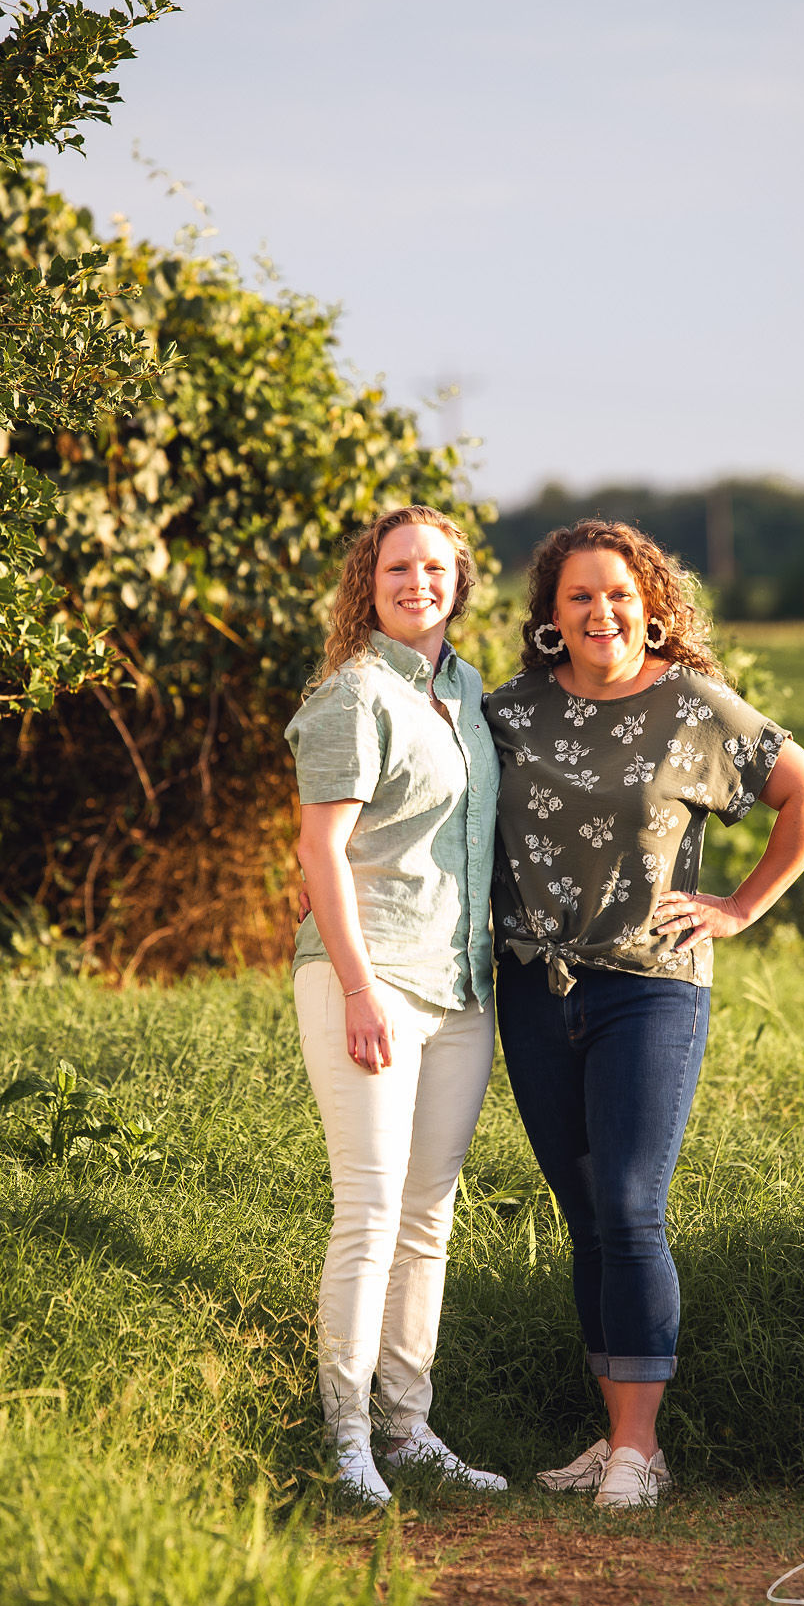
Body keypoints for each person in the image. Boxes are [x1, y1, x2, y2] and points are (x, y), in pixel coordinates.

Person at [485, 519, 804, 1510]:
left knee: (633, 1206)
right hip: (531, 986)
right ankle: (611, 1439)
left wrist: (739, 905)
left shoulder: (691, 704)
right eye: (579, 597)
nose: (602, 610)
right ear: (550, 619)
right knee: (586, 1215)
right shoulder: (508, 712)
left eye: (618, 592)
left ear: (650, 601)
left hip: (651, 984)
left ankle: (642, 1450)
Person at [285, 505, 506, 1505]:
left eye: (434, 566)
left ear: (460, 579)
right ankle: (345, 1438)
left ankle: (409, 1425)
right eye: (396, 567)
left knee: (429, 1213)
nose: (418, 581)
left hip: (460, 987)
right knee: (369, 1209)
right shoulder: (355, 693)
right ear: (367, 584)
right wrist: (362, 988)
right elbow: (319, 852)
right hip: (365, 978)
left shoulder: (464, 691)